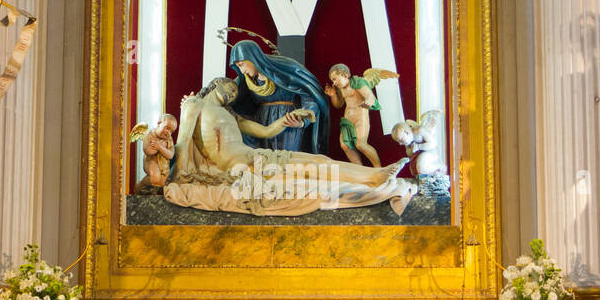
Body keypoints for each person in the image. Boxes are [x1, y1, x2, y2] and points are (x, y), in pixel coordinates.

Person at [164, 77, 415, 217]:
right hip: (244, 169)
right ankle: (371, 184)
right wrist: (179, 175)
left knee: (321, 162)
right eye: (228, 87)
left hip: (260, 157)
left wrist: (287, 119)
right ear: (214, 84)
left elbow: (264, 131)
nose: (232, 92)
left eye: (234, 91)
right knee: (316, 181)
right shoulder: (195, 104)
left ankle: (375, 176)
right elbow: (184, 142)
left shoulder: (231, 115)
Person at [229, 39, 329, 154]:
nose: (242, 71)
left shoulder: (282, 72)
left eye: (242, 65)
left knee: (285, 161)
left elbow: (309, 96)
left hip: (287, 122)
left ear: (252, 58)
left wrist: (302, 122)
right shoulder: (246, 81)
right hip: (261, 122)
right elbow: (230, 95)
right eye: (238, 67)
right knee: (263, 161)